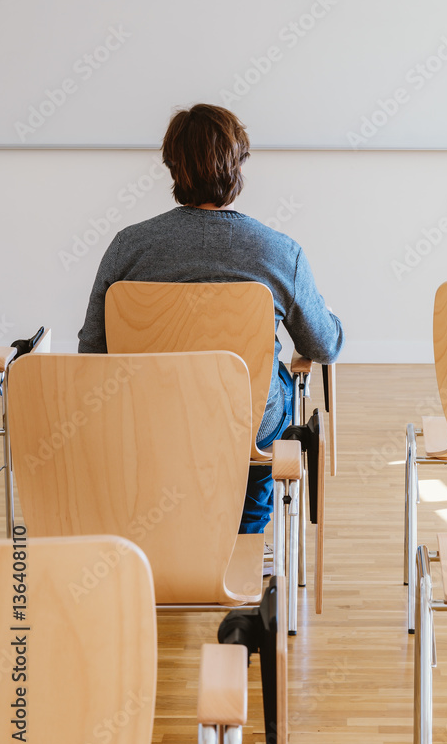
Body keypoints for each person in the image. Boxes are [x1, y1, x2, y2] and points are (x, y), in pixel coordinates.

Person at [78, 103, 343, 533]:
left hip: (148, 421)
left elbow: (91, 351)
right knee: (274, 391)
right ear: (238, 166)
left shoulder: (127, 247)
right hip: (247, 427)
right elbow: (323, 346)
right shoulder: (279, 252)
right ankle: (245, 535)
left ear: (172, 167)